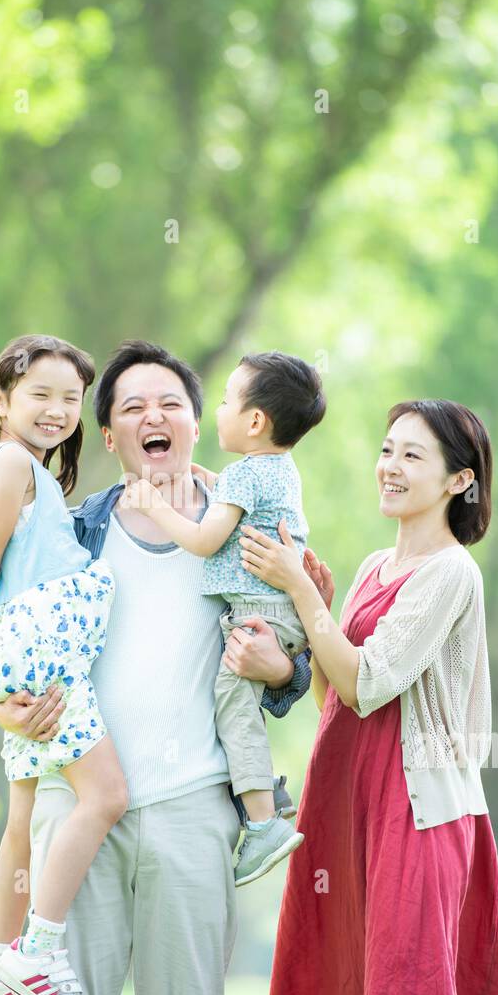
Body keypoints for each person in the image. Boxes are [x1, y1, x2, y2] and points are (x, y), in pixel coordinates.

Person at [0, 339, 312, 995]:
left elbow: (294, 660)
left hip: (193, 813)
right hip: (81, 811)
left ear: (195, 422)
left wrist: (280, 662)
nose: (154, 417)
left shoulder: (247, 522)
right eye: (130, 408)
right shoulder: (71, 527)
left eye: (170, 404)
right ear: (107, 436)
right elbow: (1, 638)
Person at [238, 398, 498, 995]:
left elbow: (372, 681)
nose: (389, 467)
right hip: (353, 803)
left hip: (418, 809)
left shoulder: (450, 573)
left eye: (412, 456)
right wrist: (308, 631)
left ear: (458, 481)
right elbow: (340, 696)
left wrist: (302, 595)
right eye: (386, 448)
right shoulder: (374, 566)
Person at [0, 333, 129, 995]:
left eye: (69, 398)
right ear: (0, 400)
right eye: (39, 395)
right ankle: (38, 951)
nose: (56, 409)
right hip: (32, 646)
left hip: (23, 648)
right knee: (106, 795)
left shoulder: (25, 469)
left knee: (21, 822)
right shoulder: (13, 459)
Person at [121, 350, 325, 886]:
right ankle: (264, 799)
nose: (218, 410)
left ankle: (263, 820)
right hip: (281, 614)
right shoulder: (276, 470)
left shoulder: (239, 478)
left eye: (228, 400)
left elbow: (206, 539)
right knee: (240, 707)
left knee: (234, 707)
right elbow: (238, 507)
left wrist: (154, 503)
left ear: (255, 420)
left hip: (258, 616)